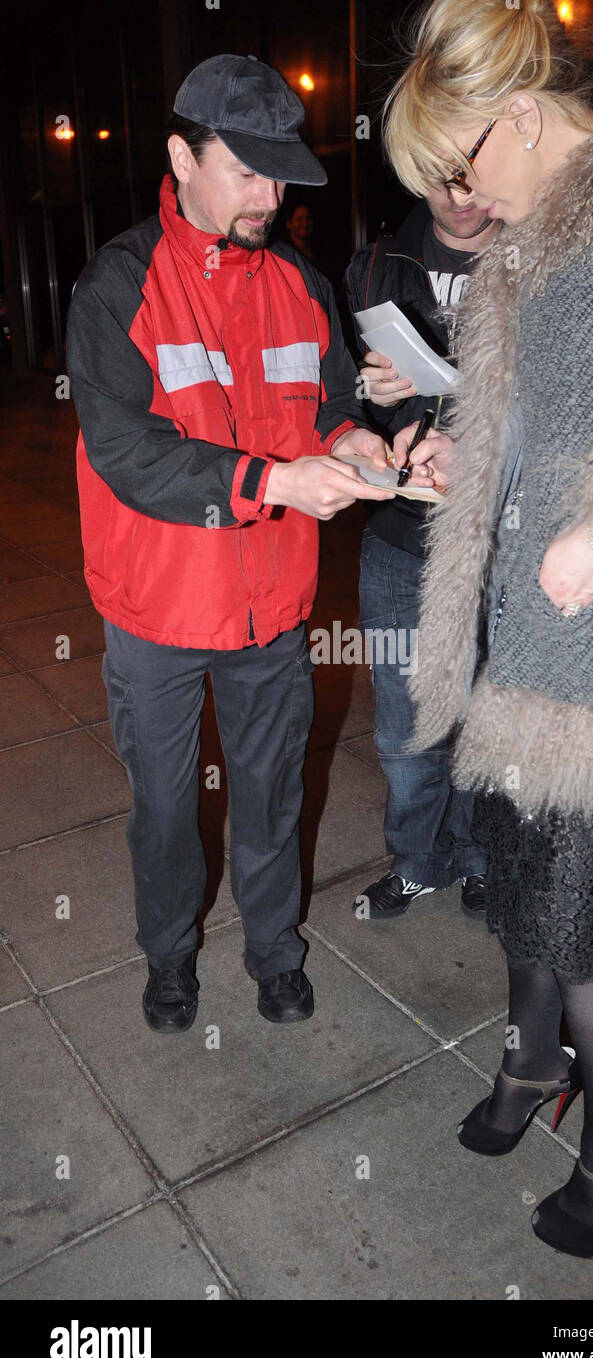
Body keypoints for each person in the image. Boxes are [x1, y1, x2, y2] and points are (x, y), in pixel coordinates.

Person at [383, 0, 593, 1257]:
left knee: (577, 924)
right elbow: (539, 424)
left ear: (520, 116)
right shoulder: (523, 251)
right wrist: (459, 461)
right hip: (513, 631)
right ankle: (534, 1062)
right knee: (517, 894)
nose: (459, 200)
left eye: (460, 164)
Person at [66, 53, 419, 1033]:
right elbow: (128, 452)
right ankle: (169, 958)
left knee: (269, 795)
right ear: (181, 158)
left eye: (281, 177)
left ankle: (275, 954)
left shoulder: (299, 283)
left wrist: (352, 444)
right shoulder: (117, 285)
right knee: (166, 808)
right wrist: (274, 482)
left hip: (271, 604)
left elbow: (333, 403)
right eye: (247, 173)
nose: (270, 198)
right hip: (159, 605)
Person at [344, 186, 496, 921]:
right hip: (402, 529)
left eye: (469, 172)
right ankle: (416, 860)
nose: (458, 194)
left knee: (486, 711)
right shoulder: (375, 265)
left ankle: (482, 858)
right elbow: (335, 395)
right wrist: (366, 392)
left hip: (498, 530)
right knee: (403, 725)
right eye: (439, 175)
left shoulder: (542, 254)